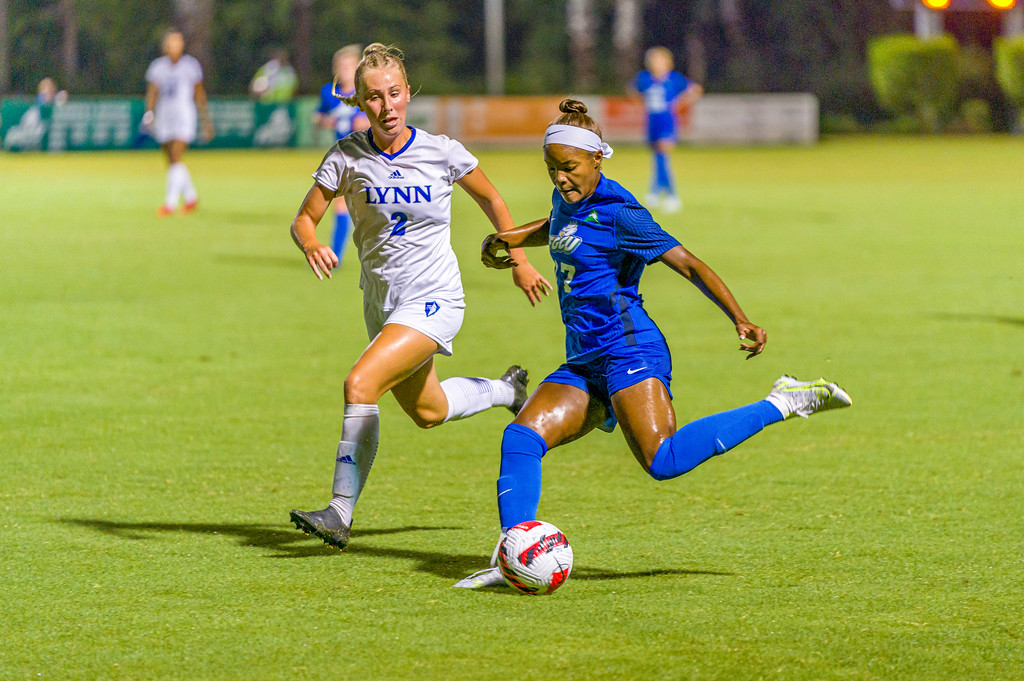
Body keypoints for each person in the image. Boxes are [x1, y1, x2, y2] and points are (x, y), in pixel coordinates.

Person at [455, 100, 851, 588]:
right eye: (552, 168)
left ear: (598, 159)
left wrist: (740, 319)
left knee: (661, 460)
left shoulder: (623, 214)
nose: (559, 179)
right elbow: (559, 225)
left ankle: (783, 400)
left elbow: (688, 263)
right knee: (520, 439)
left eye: (569, 168)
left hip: (630, 350)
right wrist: (509, 238)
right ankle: (514, 558)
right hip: (586, 359)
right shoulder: (569, 198)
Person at [288, 43, 553, 551]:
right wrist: (312, 242)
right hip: (383, 306)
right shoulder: (347, 156)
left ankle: (339, 514)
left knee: (360, 383)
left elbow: (493, 199)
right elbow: (304, 217)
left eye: (394, 94)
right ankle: (507, 391)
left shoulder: (442, 151)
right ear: (360, 104)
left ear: (408, 93)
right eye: (373, 97)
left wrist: (518, 260)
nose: (386, 107)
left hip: (436, 299)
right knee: (428, 410)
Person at [143, 30, 214, 217]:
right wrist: (149, 113)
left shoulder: (190, 66)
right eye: (171, 43)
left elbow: (199, 94)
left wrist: (206, 121)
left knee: (176, 155)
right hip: (165, 116)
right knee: (172, 160)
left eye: (177, 42)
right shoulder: (157, 67)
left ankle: (170, 204)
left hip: (184, 116)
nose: (174, 46)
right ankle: (191, 197)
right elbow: (152, 93)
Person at [314, 45, 371, 264]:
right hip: (343, 156)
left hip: (368, 155)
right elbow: (317, 116)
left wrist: (367, 122)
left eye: (349, 65)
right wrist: (324, 120)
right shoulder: (329, 93)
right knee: (340, 204)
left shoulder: (366, 91)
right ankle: (335, 256)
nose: (344, 69)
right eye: (340, 65)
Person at [633, 46, 703, 213]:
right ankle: (655, 192)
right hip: (651, 123)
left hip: (667, 122)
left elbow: (695, 90)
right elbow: (633, 90)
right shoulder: (645, 79)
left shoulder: (674, 79)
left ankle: (672, 195)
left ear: (668, 63)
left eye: (659, 60)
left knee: (663, 156)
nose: (655, 63)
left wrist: (680, 103)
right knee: (657, 158)